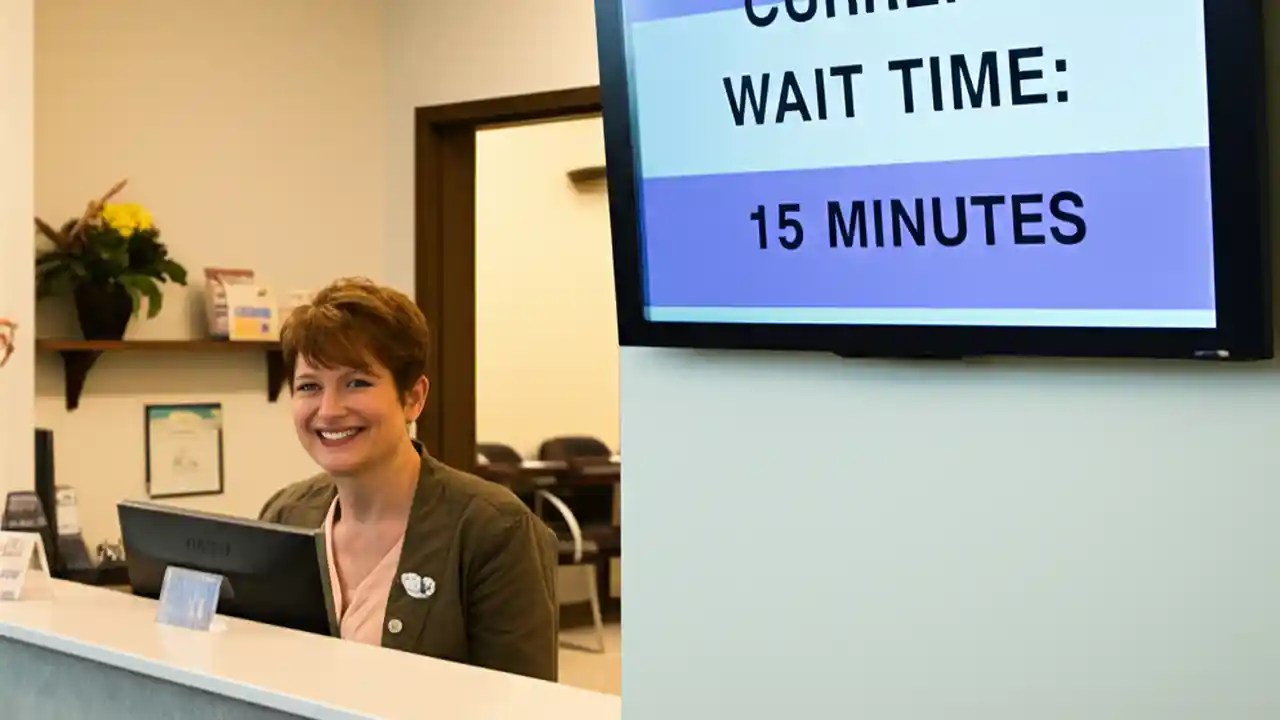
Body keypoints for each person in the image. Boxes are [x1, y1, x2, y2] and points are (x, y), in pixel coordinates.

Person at [258, 277, 559, 681]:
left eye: (357, 383)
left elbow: (525, 706)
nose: (328, 410)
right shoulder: (285, 515)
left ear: (413, 398)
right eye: (309, 386)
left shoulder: (495, 531)